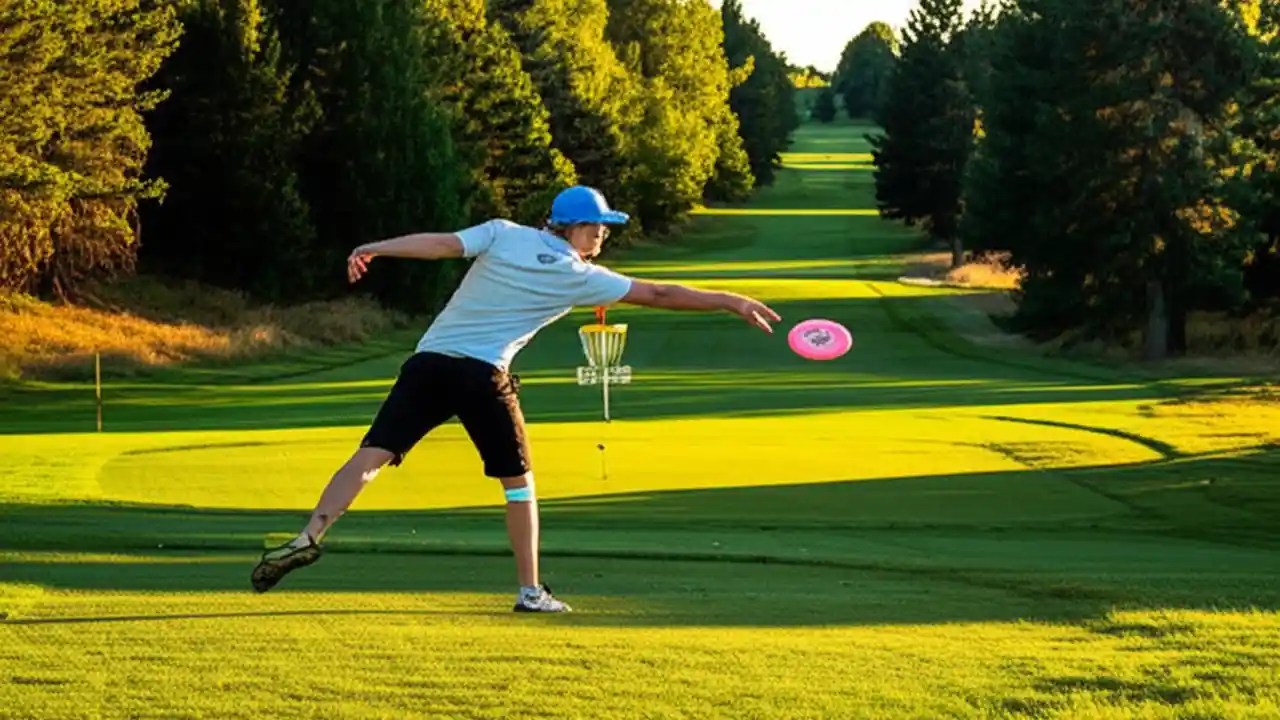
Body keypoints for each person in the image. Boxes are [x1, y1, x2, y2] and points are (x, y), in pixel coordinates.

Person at [250, 185, 781, 612]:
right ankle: (530, 591)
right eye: (600, 226)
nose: (603, 235)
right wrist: (728, 300)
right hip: (483, 374)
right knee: (519, 487)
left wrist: (374, 247)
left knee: (373, 455)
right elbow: (660, 295)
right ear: (575, 227)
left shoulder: (502, 233)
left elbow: (440, 245)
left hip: (428, 363)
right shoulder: (579, 274)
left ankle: (310, 533)